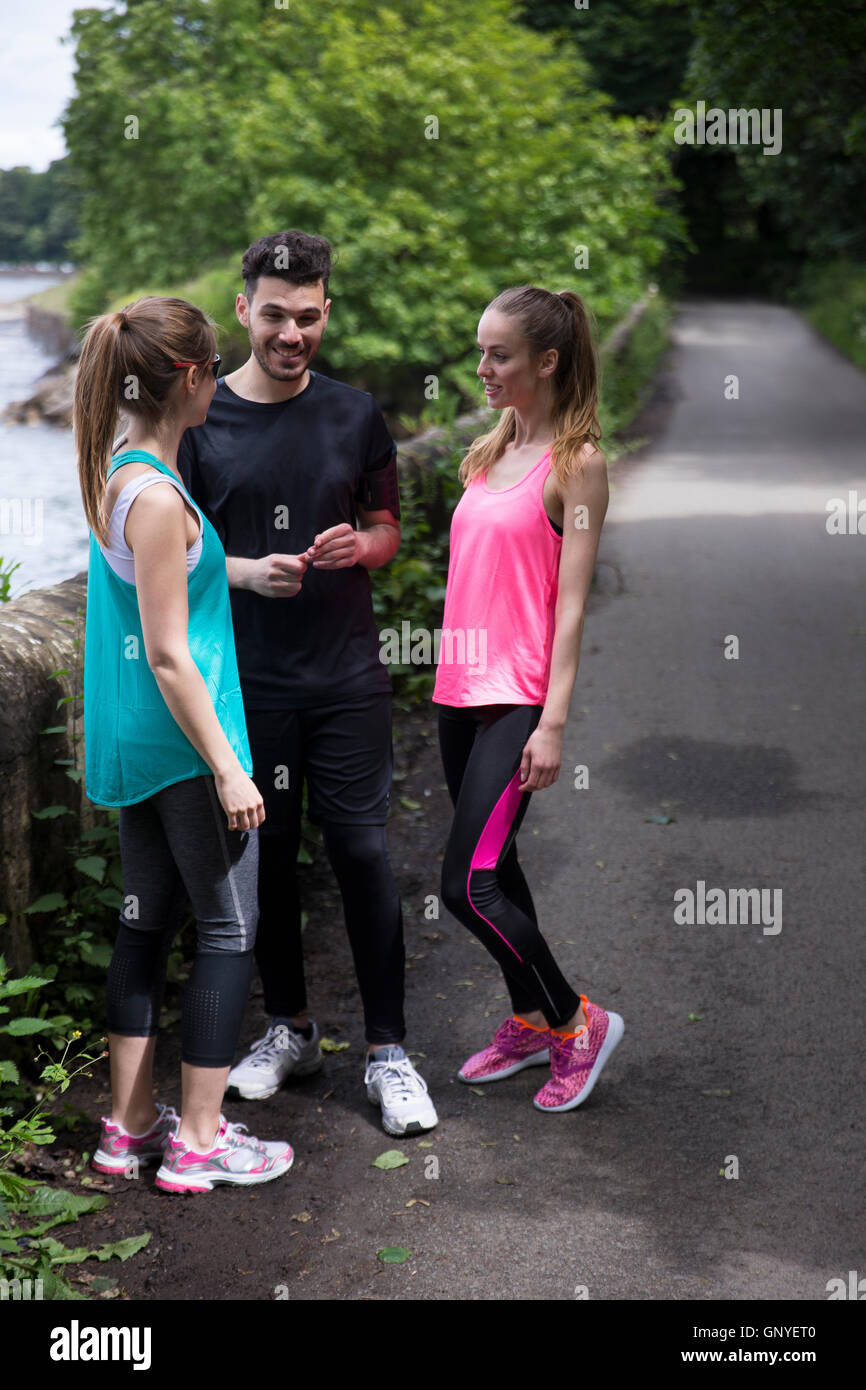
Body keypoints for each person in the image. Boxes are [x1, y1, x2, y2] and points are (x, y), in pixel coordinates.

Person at [177, 232, 437, 1136]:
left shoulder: (356, 413)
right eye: (276, 315)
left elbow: (386, 527)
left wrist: (359, 547)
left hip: (347, 677)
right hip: (247, 683)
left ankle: (389, 1053)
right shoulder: (201, 421)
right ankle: (290, 1030)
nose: (293, 333)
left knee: (363, 852)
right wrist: (246, 570)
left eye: (310, 316)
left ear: (328, 312)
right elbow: (174, 555)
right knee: (270, 858)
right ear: (244, 308)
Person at [76, 295, 294, 1191]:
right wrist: (230, 767)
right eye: (217, 369)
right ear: (194, 377)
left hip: (133, 744)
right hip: (185, 747)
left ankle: (125, 1132)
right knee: (228, 930)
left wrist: (241, 571)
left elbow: (153, 592)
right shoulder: (160, 496)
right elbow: (169, 653)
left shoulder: (116, 472)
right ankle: (200, 1141)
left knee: (143, 923)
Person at [433, 285, 624, 1112]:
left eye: (498, 354)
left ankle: (579, 1021)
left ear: (546, 362)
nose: (481, 368)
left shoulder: (576, 463)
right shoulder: (490, 447)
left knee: (465, 887)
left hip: (516, 701)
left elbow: (571, 604)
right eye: (480, 351)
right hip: (457, 693)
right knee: (498, 868)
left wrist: (552, 723)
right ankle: (528, 1019)